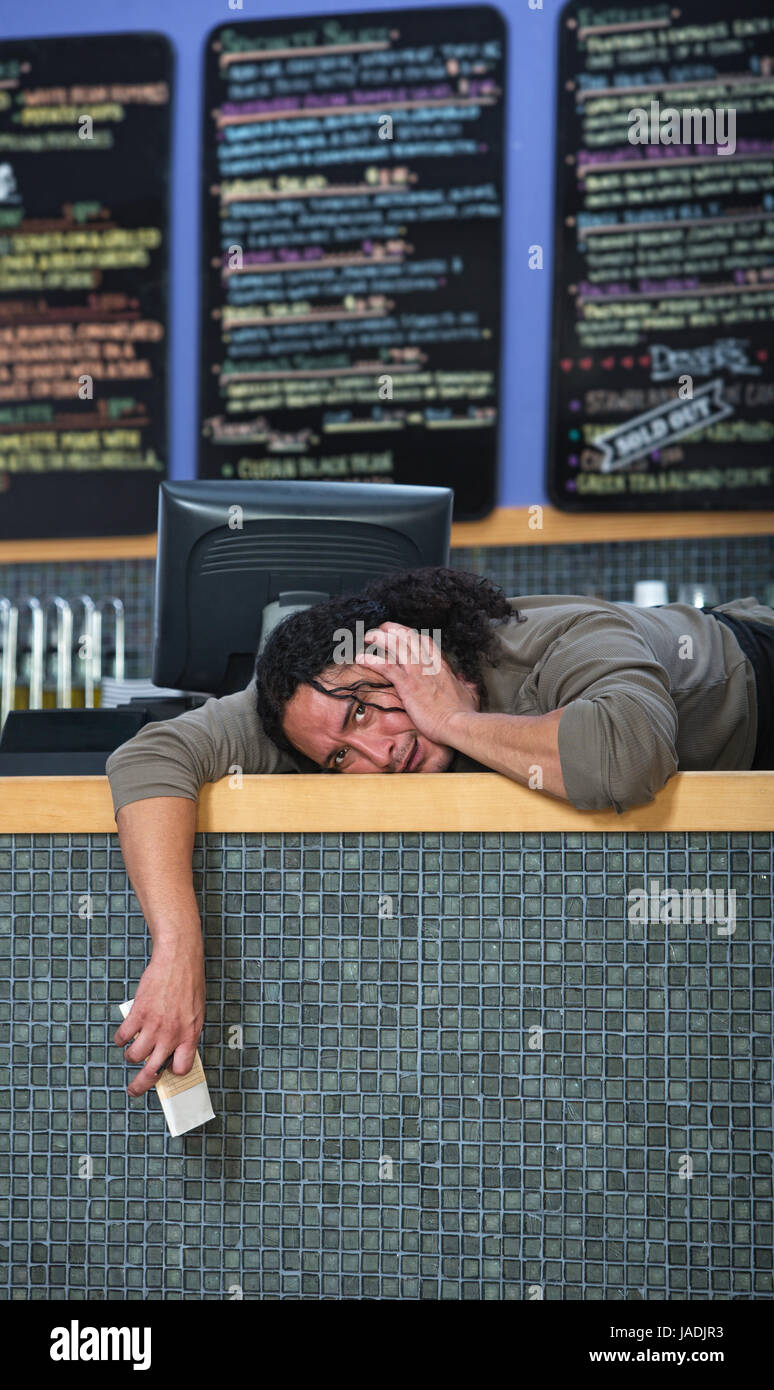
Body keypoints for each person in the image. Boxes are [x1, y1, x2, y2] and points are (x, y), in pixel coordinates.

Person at [107, 566, 774, 1097]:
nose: (377, 756)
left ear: (411, 646)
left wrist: (450, 721)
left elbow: (624, 758)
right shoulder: (311, 703)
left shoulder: (554, 639)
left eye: (367, 712)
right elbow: (149, 758)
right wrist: (177, 950)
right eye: (339, 758)